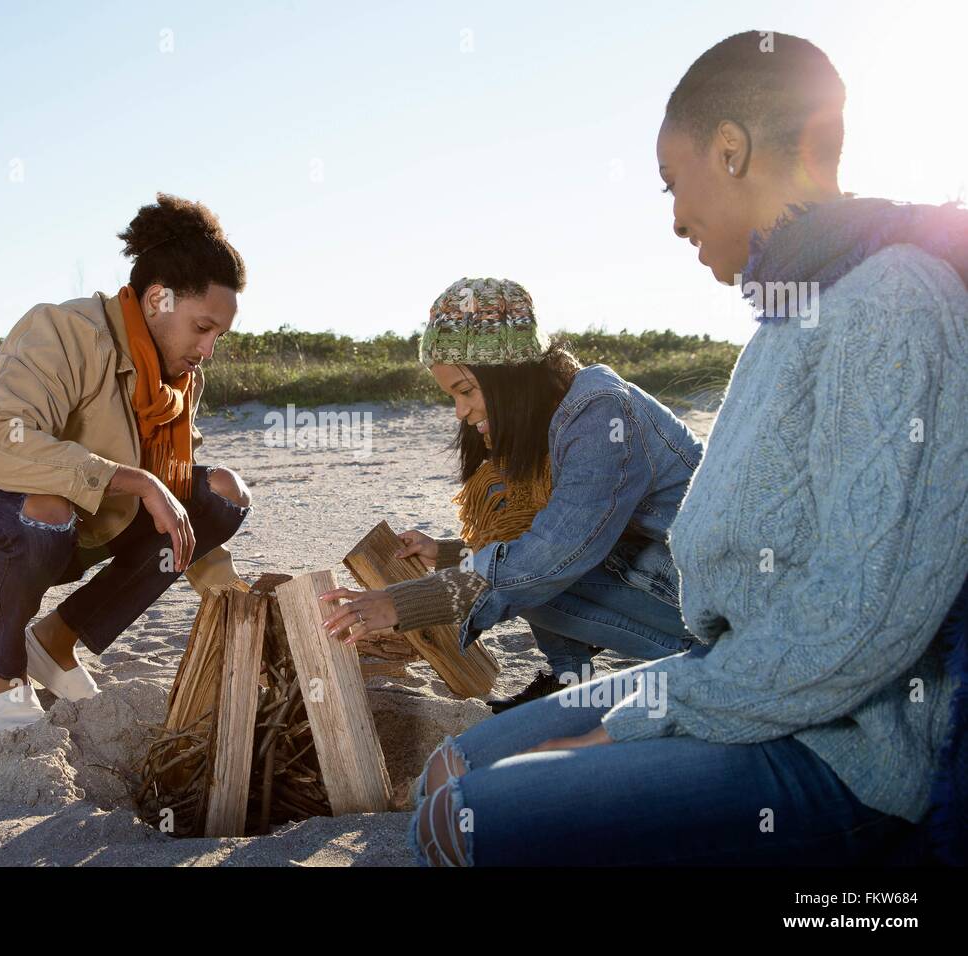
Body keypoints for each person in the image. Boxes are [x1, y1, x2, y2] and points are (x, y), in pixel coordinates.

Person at [402, 31, 968, 866]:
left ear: (731, 151)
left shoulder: (891, 304)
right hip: (730, 672)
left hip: (841, 743)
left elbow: (860, 622)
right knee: (443, 772)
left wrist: (645, 720)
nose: (673, 219)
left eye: (674, 184)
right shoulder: (789, 313)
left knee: (460, 821)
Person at [0, 193, 253, 732]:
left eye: (218, 336)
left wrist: (238, 603)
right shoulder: (63, 332)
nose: (207, 349)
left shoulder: (179, 380)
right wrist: (136, 480)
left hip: (71, 524)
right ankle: (2, 668)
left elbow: (181, 508)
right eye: (202, 327)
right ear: (157, 299)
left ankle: (54, 643)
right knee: (48, 505)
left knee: (221, 492)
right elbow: (2, 443)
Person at [321, 276, 702, 711]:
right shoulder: (564, 405)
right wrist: (449, 554)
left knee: (531, 579)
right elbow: (558, 530)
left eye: (466, 391)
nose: (462, 412)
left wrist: (404, 603)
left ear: (510, 376)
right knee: (517, 566)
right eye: (452, 396)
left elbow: (550, 556)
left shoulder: (601, 415)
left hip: (716, 608)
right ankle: (569, 679)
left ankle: (707, 664)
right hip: (665, 578)